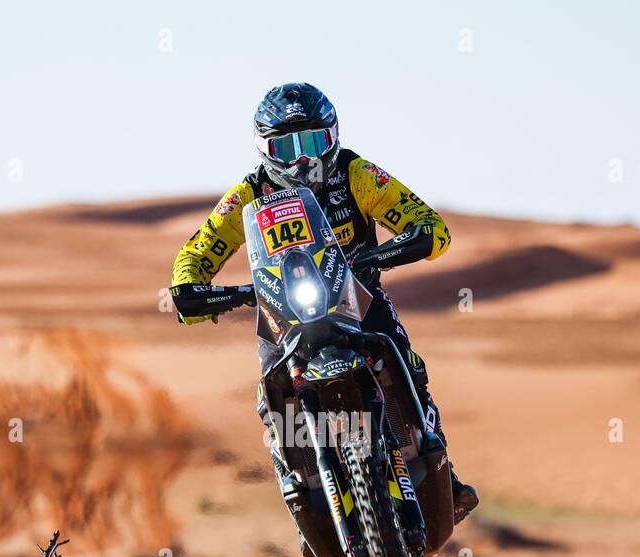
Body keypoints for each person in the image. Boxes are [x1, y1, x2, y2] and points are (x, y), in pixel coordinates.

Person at [169, 81, 479, 528]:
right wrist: (191, 289)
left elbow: (431, 225)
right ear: (264, 148)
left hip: (359, 300)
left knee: (410, 369)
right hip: (282, 317)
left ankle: (443, 478)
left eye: (314, 141)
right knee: (272, 406)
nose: (302, 158)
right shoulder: (247, 195)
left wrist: (389, 251)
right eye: (287, 145)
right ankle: (305, 505)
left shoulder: (358, 175)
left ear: (333, 136)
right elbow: (196, 253)